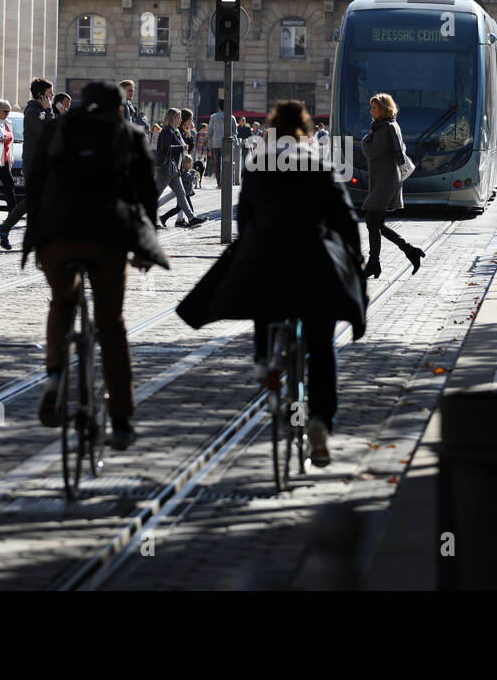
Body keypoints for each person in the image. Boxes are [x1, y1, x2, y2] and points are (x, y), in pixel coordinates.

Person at [177, 100, 366, 468]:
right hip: (312, 262)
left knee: (263, 295)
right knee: (321, 347)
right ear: (306, 129)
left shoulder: (258, 164)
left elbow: (244, 216)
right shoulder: (317, 162)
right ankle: (319, 422)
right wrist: (355, 261)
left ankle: (264, 361)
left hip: (267, 259)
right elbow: (344, 218)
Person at [23, 80, 168, 450]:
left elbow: (36, 182)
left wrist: (39, 241)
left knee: (62, 300)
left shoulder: (59, 127)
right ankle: (120, 421)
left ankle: (55, 375)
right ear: (120, 107)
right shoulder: (130, 134)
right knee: (111, 324)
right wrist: (145, 248)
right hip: (108, 236)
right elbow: (146, 197)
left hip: (59, 233)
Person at [360, 93, 425, 278]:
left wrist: (366, 138)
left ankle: (374, 263)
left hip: (385, 182)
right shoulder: (388, 126)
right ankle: (409, 251)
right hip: (386, 180)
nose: (372, 111)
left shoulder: (383, 130)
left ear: (384, 109)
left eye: (375, 108)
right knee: (376, 223)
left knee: (372, 221)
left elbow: (371, 151)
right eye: (371, 108)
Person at [0, 79, 53, 250]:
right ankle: (4, 229)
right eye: (49, 93)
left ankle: (8, 230)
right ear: (41, 95)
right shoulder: (32, 111)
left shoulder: (42, 110)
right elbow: (45, 131)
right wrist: (49, 111)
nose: (52, 96)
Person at [155, 108, 202, 227]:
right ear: (172, 118)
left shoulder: (174, 131)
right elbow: (165, 148)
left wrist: (186, 141)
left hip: (174, 169)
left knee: (181, 195)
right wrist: (181, 147)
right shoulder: (167, 131)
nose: (180, 119)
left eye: (181, 117)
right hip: (166, 169)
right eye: (178, 117)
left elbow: (184, 147)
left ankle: (192, 218)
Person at [207, 99, 228, 183]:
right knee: (226, 162)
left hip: (215, 144)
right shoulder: (230, 117)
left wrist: (208, 142)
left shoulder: (213, 117)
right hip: (227, 145)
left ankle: (218, 182)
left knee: (217, 163)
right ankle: (225, 181)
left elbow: (209, 131)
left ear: (218, 106)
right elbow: (234, 131)